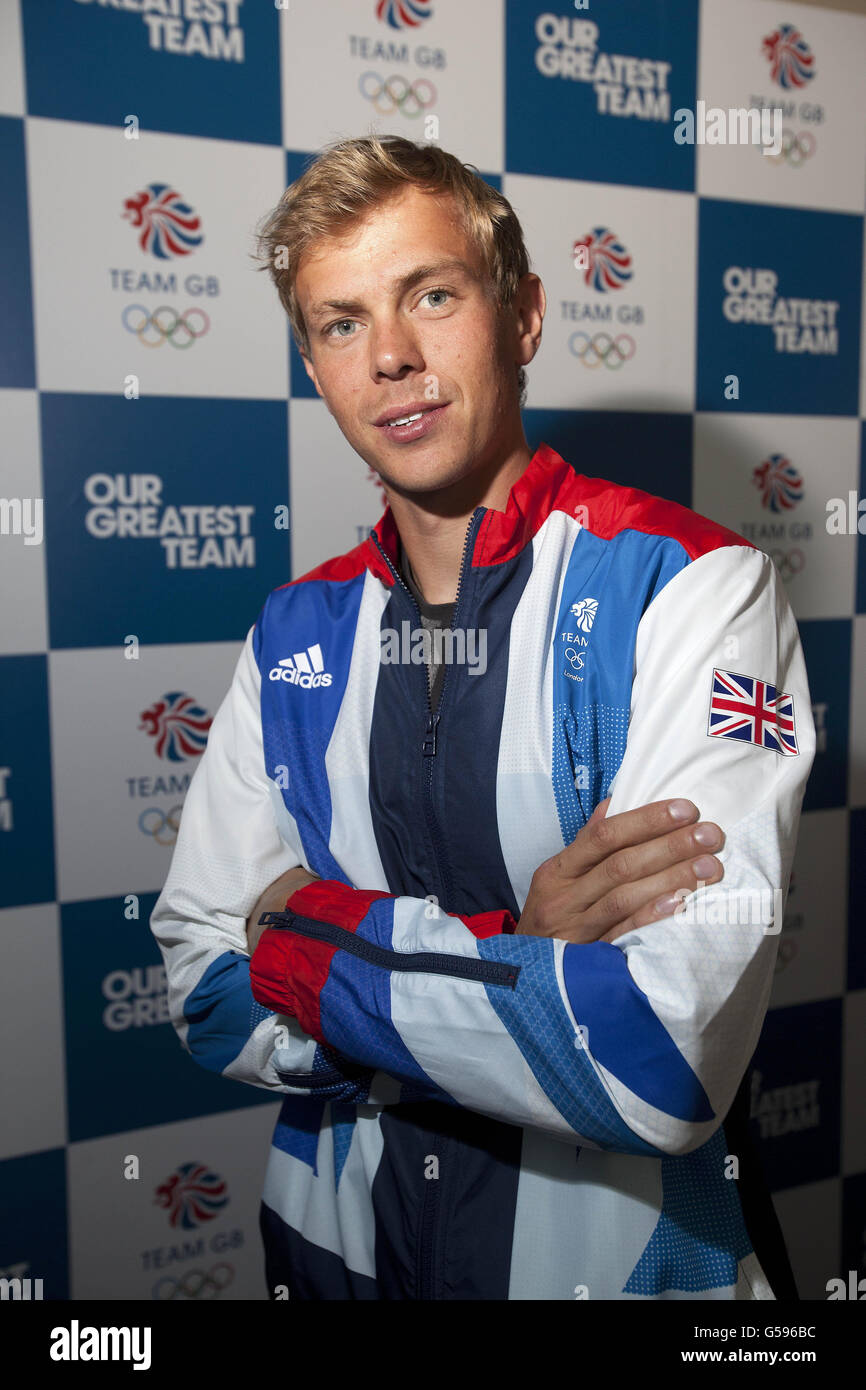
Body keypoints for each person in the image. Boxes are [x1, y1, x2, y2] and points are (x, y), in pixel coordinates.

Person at [150, 134, 815, 1301]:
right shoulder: (295, 629)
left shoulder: (691, 585)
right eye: (340, 322)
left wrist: (293, 933)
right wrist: (520, 942)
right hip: (332, 1254)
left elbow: (654, 1059)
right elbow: (202, 992)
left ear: (521, 317)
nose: (391, 357)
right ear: (314, 363)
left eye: (432, 296)